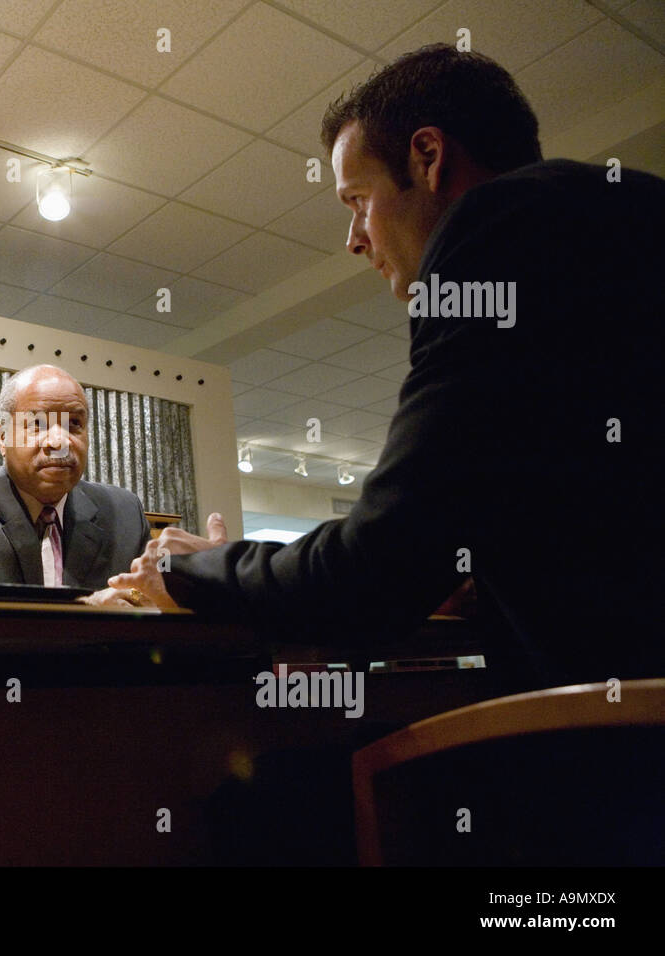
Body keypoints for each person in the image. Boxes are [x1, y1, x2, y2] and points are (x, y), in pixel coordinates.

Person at [104, 43, 665, 690]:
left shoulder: (494, 229)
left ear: (428, 157)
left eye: (357, 200)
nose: (353, 239)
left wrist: (196, 568)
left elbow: (372, 576)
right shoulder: (624, 215)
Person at [0, 365, 151, 591]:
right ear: (3, 437)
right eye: (38, 423)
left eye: (74, 423)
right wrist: (90, 611)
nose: (59, 443)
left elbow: (159, 610)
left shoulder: (125, 513)